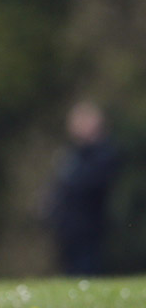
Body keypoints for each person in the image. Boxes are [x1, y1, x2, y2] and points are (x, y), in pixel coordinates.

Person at [45, 100, 119, 275]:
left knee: (87, 267)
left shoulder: (104, 153)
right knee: (70, 269)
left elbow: (88, 184)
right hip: (67, 226)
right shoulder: (73, 154)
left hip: (89, 224)